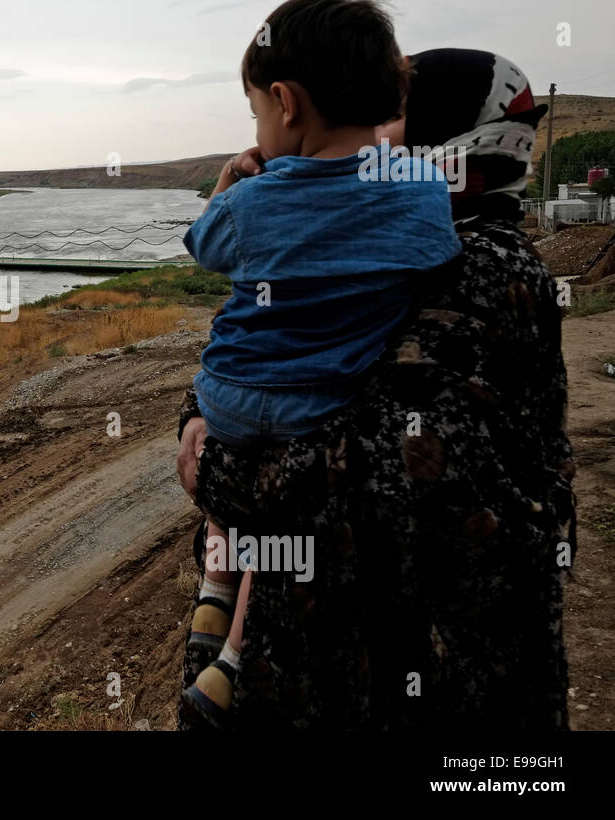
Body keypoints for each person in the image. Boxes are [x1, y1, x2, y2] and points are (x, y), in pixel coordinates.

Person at [175, 46, 574, 730]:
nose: (362, 137)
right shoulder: (417, 244)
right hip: (335, 660)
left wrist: (218, 463)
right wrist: (199, 409)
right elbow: (267, 343)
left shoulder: (473, 272)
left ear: (441, 144)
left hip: (429, 688)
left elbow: (383, 478)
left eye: (385, 118)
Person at [176, 0, 461, 726]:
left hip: (231, 397)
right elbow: (434, 255)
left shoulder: (253, 199)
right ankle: (233, 650)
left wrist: (231, 184)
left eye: (256, 115)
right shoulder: (425, 190)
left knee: (232, 503)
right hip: (324, 405)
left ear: (285, 102)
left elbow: (204, 247)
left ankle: (214, 587)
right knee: (283, 528)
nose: (259, 130)